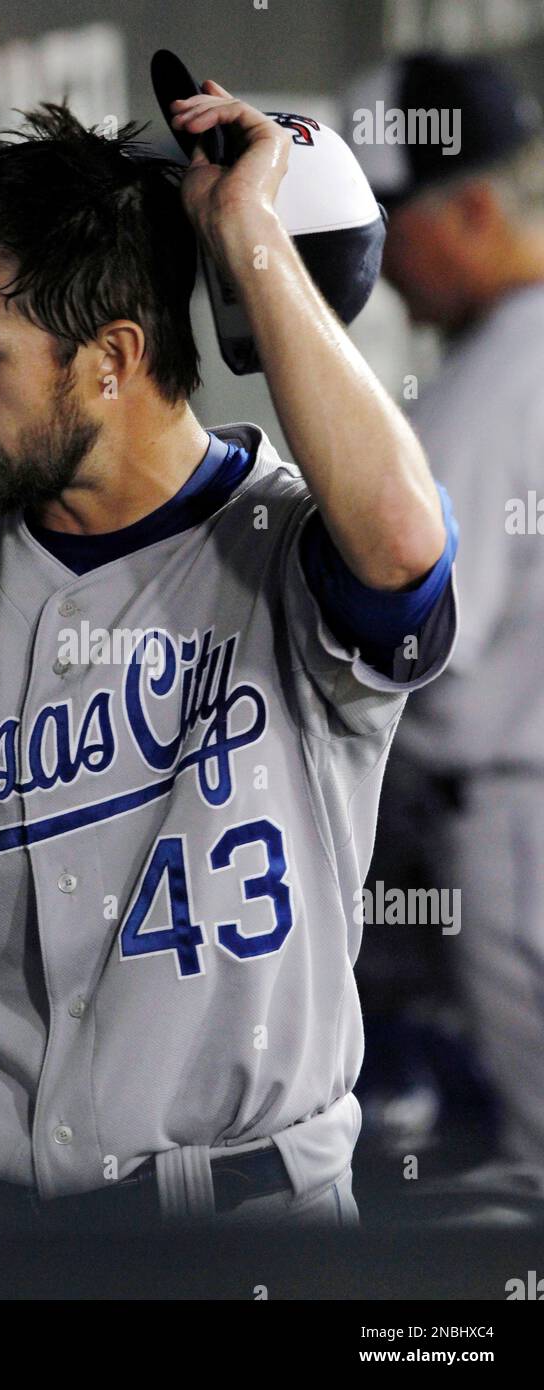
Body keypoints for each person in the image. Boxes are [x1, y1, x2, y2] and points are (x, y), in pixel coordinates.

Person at [0, 89, 456, 1234]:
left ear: (113, 358)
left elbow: (406, 545)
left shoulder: (288, 552)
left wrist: (249, 233)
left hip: (245, 1228)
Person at [346, 53, 544, 1164]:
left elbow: (417, 648)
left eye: (389, 217)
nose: (379, 255)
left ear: (471, 206)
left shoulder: (484, 389)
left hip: (517, 820)